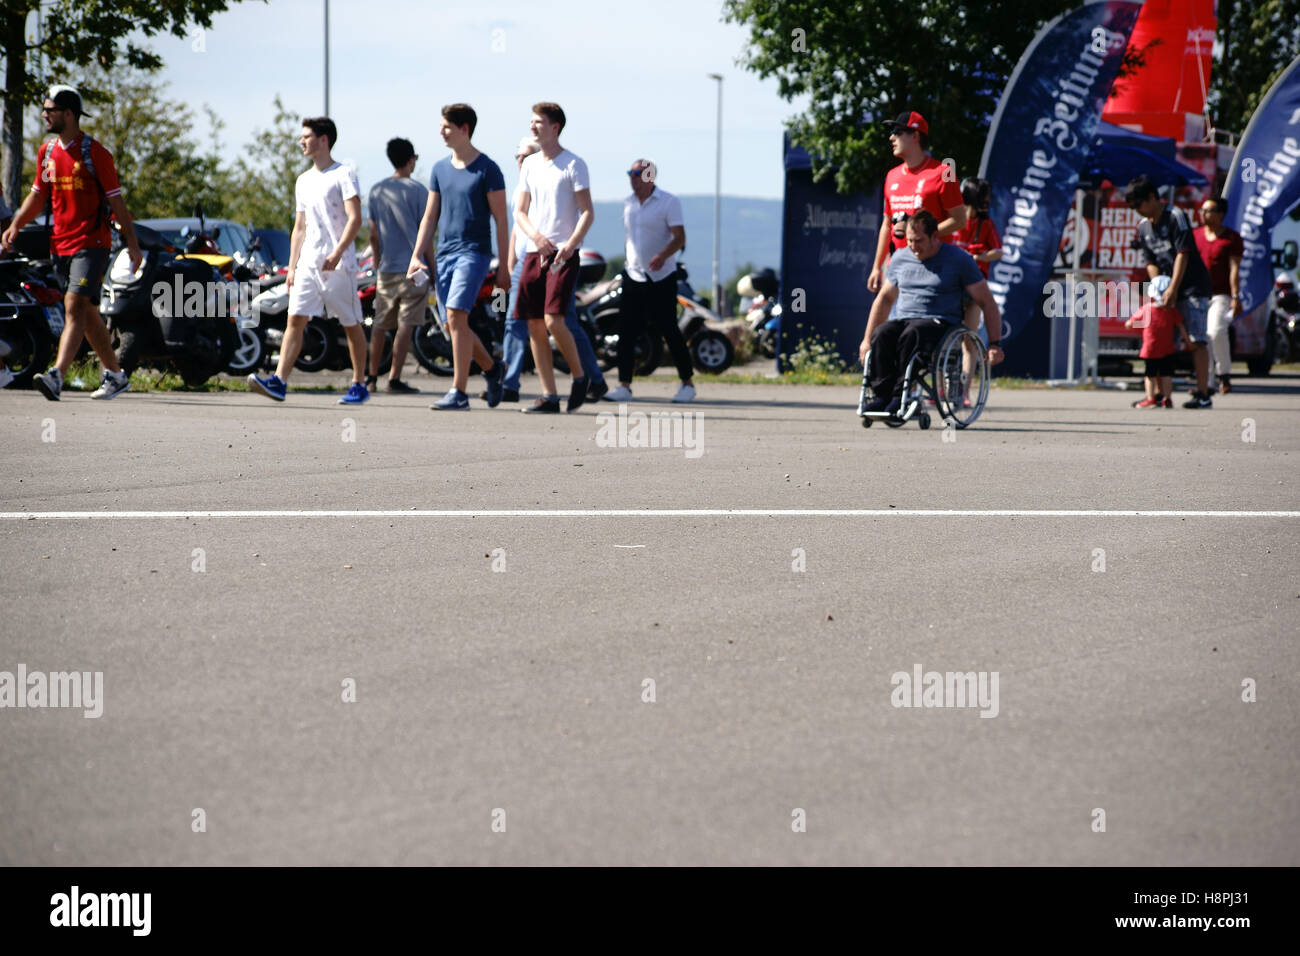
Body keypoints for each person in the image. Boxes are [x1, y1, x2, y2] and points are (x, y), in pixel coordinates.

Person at [1, 86, 142, 401]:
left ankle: (56, 375)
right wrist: (15, 225)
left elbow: (117, 203)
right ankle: (116, 375)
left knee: (73, 305)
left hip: (92, 243)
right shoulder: (47, 153)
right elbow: (38, 196)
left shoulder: (96, 154)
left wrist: (132, 243)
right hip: (60, 245)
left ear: (68, 113)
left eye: (49, 109)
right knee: (87, 314)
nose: (43, 115)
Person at [250, 117, 369, 404]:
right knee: (295, 320)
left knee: (350, 323)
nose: (301, 141)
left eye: (306, 136)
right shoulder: (303, 180)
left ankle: (359, 383)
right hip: (308, 265)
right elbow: (300, 227)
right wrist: (292, 266)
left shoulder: (344, 174)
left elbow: (355, 219)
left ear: (324, 139)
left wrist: (338, 252)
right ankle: (279, 382)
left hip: (338, 267)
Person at [406, 104, 506, 410]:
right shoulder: (439, 169)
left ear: (464, 129)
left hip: (474, 254)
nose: (441, 131)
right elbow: (429, 217)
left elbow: (501, 219)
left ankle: (458, 392)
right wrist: (416, 256)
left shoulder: (488, 169)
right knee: (452, 325)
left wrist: (504, 264)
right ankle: (492, 369)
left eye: (446, 126)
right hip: (445, 253)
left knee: (456, 317)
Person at [495, 137, 607, 404]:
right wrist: (510, 264)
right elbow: (516, 227)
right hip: (527, 260)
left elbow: (583, 212)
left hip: (555, 257)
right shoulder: (522, 185)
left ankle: (591, 379)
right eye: (517, 156)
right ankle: (510, 383)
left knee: (562, 322)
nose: (520, 160)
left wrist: (567, 246)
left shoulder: (556, 175)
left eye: (525, 155)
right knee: (516, 321)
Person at [858, 211, 1002, 416]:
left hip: (940, 322)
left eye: (919, 241)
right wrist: (866, 340)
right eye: (909, 241)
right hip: (905, 318)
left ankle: (901, 397)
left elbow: (986, 301)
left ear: (935, 236)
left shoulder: (959, 260)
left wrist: (995, 343)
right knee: (882, 334)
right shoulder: (900, 258)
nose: (913, 247)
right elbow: (884, 299)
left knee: (913, 333)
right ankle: (882, 396)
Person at [513, 102, 593, 413]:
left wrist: (571, 245)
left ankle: (579, 376)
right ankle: (549, 395)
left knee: (553, 320)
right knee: (533, 323)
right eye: (532, 121)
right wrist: (535, 236)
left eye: (539, 122)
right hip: (534, 251)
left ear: (555, 126)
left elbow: (587, 212)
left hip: (563, 254)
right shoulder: (530, 165)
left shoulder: (574, 164)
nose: (533, 126)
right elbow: (519, 211)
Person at [604, 158, 694, 403]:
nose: (632, 178)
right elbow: (630, 238)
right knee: (627, 330)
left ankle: (687, 383)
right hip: (634, 274)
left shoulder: (668, 202)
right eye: (630, 173)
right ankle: (624, 385)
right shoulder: (628, 204)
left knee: (669, 329)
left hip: (661, 276)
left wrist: (662, 256)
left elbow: (679, 238)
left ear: (649, 176)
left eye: (636, 174)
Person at [1125, 175, 1214, 408]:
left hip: (1191, 286)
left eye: (1139, 204)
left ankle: (1203, 393)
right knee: (1160, 343)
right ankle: (1157, 395)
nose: (1137, 210)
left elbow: (1183, 253)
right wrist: (1160, 290)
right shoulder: (1143, 227)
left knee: (1196, 340)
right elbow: (1150, 261)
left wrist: (1173, 288)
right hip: (1165, 291)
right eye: (1132, 207)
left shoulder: (1175, 216)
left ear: (1153, 197)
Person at [867, 111, 966, 294]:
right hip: (897, 268)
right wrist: (876, 267)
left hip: (935, 269)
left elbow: (960, 220)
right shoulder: (892, 175)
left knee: (923, 323)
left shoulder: (944, 172)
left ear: (915, 135)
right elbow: (887, 225)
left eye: (897, 132)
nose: (891, 138)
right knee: (885, 320)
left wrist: (924, 236)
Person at [366, 137, 431, 394]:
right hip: (414, 269)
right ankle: (394, 378)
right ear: (411, 160)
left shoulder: (377, 191)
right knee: (406, 323)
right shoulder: (419, 191)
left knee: (380, 323)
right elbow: (426, 237)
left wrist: (378, 258)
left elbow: (372, 233)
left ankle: (370, 377)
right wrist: (433, 271)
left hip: (386, 267)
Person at [1194, 195, 1244, 394]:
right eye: (1202, 210)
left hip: (1220, 295)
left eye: (1209, 210)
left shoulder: (1231, 238)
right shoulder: (1195, 235)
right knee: (1201, 337)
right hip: (1197, 295)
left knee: (1215, 331)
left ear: (1220, 214)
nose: (1204, 214)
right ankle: (1206, 383)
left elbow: (1234, 269)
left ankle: (1223, 373)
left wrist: (1236, 296)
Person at [1125, 274, 1190, 408]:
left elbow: (1129, 324)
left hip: (1150, 349)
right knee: (1166, 374)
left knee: (1150, 375)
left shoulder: (1146, 309)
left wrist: (1141, 324)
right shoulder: (1171, 310)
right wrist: (1188, 342)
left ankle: (1150, 398)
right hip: (1167, 348)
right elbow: (1181, 326)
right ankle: (1167, 398)